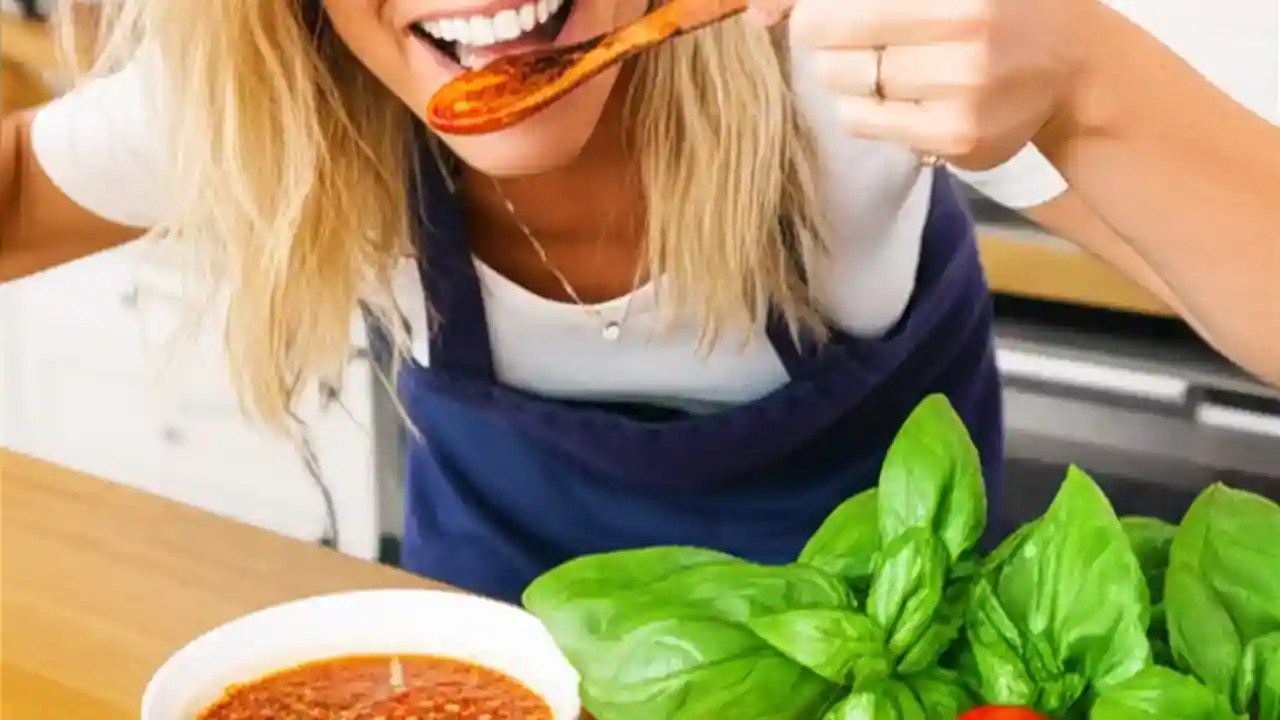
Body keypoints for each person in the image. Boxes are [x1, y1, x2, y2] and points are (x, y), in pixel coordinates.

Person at [1, 0, 1276, 602]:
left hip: (880, 675)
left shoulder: (833, 56)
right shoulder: (284, 92)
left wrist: (1088, 73)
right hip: (495, 664)